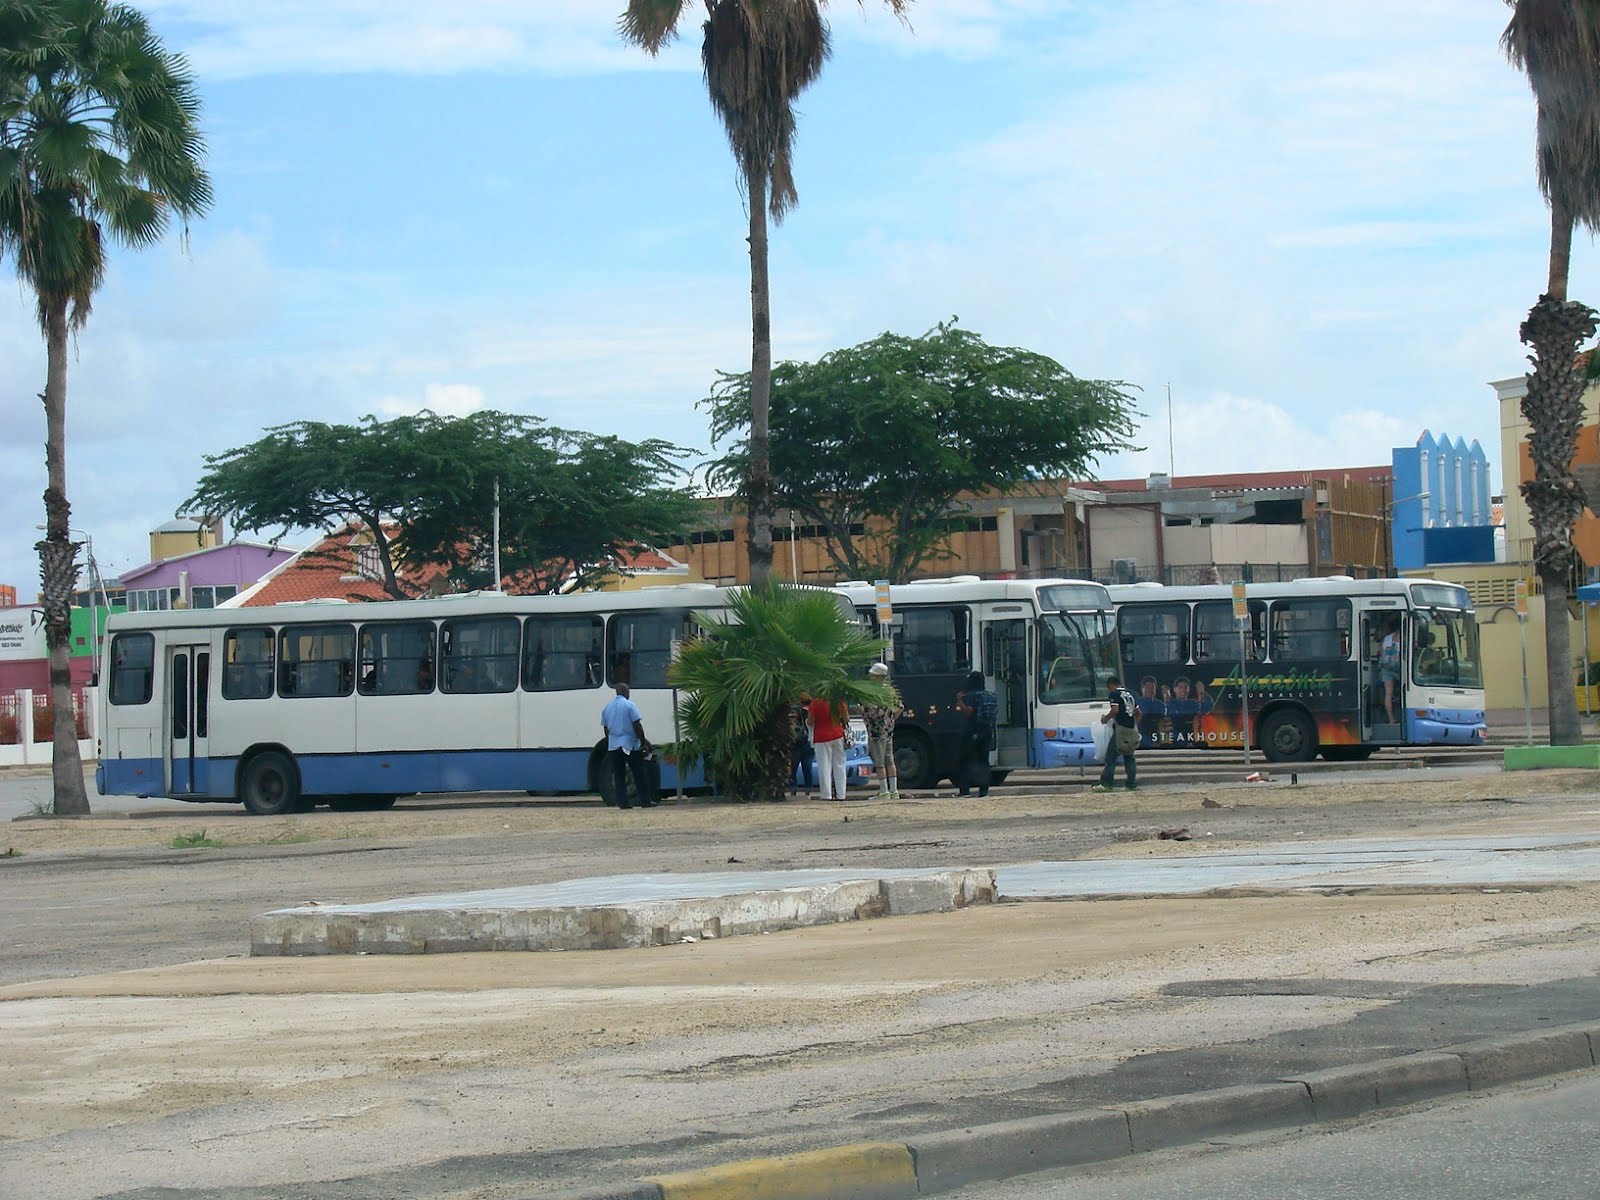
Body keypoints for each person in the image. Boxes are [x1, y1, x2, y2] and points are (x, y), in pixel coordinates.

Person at [600, 683, 657, 809]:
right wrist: (643, 742)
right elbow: (637, 725)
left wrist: (611, 741)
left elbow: (606, 728)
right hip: (630, 745)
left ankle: (623, 803)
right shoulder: (629, 705)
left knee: (619, 775)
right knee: (639, 773)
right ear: (626, 692)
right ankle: (645, 801)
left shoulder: (607, 708)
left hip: (614, 746)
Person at [1093, 675, 1140, 792]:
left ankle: (1106, 783)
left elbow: (1115, 710)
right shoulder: (1132, 694)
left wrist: (1105, 719)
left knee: (1110, 756)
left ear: (1111, 686)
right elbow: (1139, 713)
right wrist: (1134, 724)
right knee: (1129, 756)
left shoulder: (1114, 694)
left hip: (1120, 729)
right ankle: (1131, 783)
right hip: (1132, 729)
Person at [862, 662, 901, 799]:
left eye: (872, 675)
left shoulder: (873, 692)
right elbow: (900, 707)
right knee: (890, 760)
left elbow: (872, 712)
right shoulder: (890, 690)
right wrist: (890, 721)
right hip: (888, 730)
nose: (870, 676)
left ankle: (884, 791)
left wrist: (862, 710)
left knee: (879, 763)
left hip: (876, 731)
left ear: (877, 677)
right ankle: (894, 791)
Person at [955, 670, 997, 798]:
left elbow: (969, 712)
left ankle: (964, 790)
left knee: (965, 760)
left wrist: (959, 701)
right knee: (983, 761)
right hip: (988, 730)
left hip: (973, 731)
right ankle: (984, 791)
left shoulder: (971, 695)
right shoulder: (991, 695)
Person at [807, 693, 849, 800]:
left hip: (821, 736)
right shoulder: (839, 701)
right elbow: (846, 718)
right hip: (838, 734)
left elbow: (810, 721)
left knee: (824, 766)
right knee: (839, 765)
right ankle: (841, 795)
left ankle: (826, 795)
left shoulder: (815, 702)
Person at [790, 696, 816, 796]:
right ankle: (808, 789)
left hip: (796, 743)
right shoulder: (811, 711)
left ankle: (793, 788)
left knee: (793, 768)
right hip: (809, 743)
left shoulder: (795, 711)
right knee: (807, 767)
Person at [1379, 617, 1402, 724]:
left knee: (1388, 693)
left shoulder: (1386, 638)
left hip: (1386, 668)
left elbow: (1381, 652)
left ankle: (1391, 719)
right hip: (1399, 668)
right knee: (1407, 690)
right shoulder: (1404, 637)